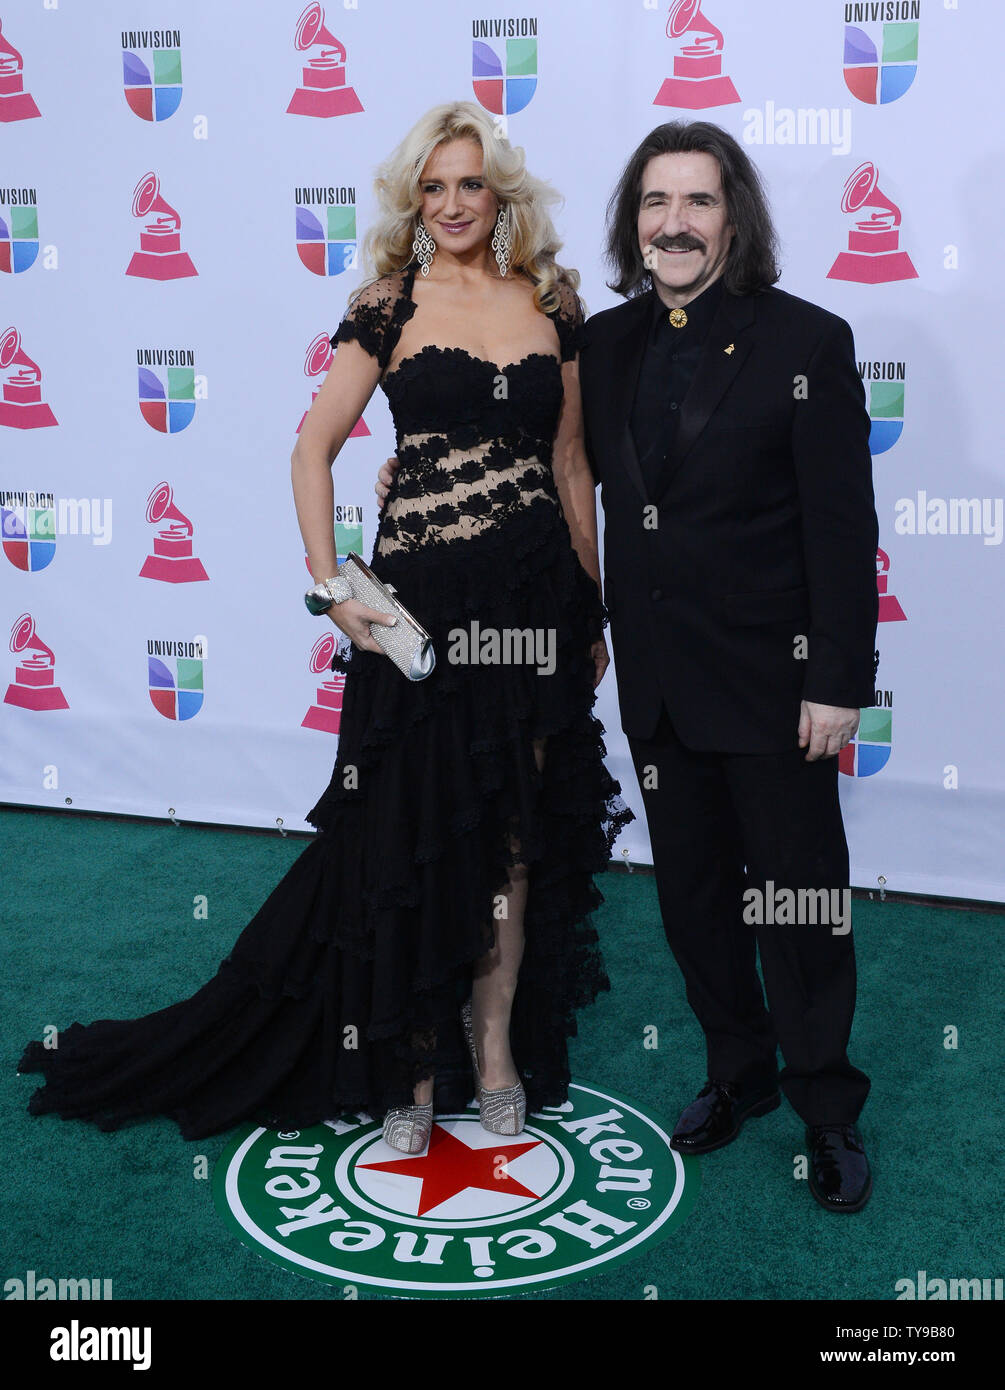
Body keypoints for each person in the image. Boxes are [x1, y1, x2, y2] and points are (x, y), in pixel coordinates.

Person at [17, 101, 633, 1154]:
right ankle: (412, 1065)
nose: (451, 204)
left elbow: (572, 466)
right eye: (432, 186)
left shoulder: (553, 300)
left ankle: (494, 1057)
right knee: (412, 836)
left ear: (503, 194)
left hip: (535, 615)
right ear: (411, 198)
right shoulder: (385, 307)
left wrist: (595, 606)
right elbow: (312, 449)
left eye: (470, 184)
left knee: (516, 845)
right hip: (421, 617)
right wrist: (330, 586)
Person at [377, 120, 879, 1210]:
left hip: (776, 687)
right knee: (696, 905)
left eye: (697, 202)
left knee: (796, 905)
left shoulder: (809, 343)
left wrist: (838, 678)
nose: (675, 223)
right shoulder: (601, 345)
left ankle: (828, 1110)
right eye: (656, 203)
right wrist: (408, 477)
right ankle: (735, 1072)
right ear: (633, 222)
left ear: (732, 217)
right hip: (654, 684)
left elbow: (844, 531)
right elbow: (537, 464)